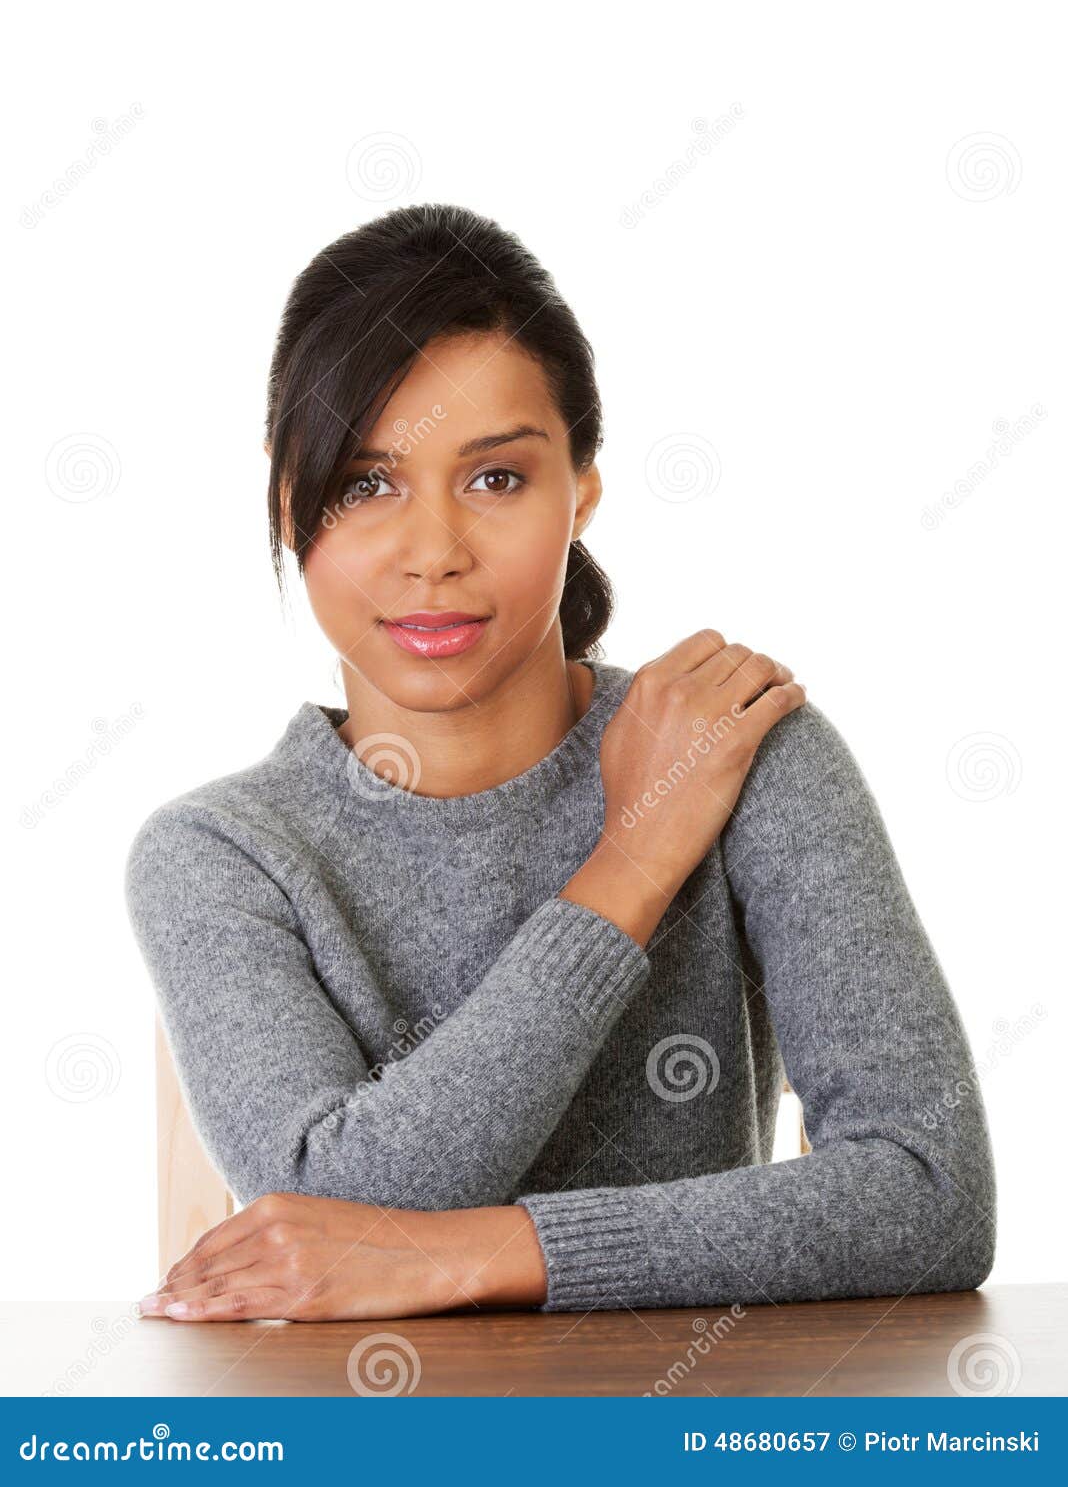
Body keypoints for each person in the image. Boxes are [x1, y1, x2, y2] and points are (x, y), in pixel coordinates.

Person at [128, 203, 995, 1323]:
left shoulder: (737, 754)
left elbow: (930, 1193)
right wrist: (630, 864)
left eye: (496, 479)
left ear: (582, 485)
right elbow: (332, 1205)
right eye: (364, 483)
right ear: (288, 496)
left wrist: (475, 1255)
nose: (433, 552)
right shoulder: (221, 855)